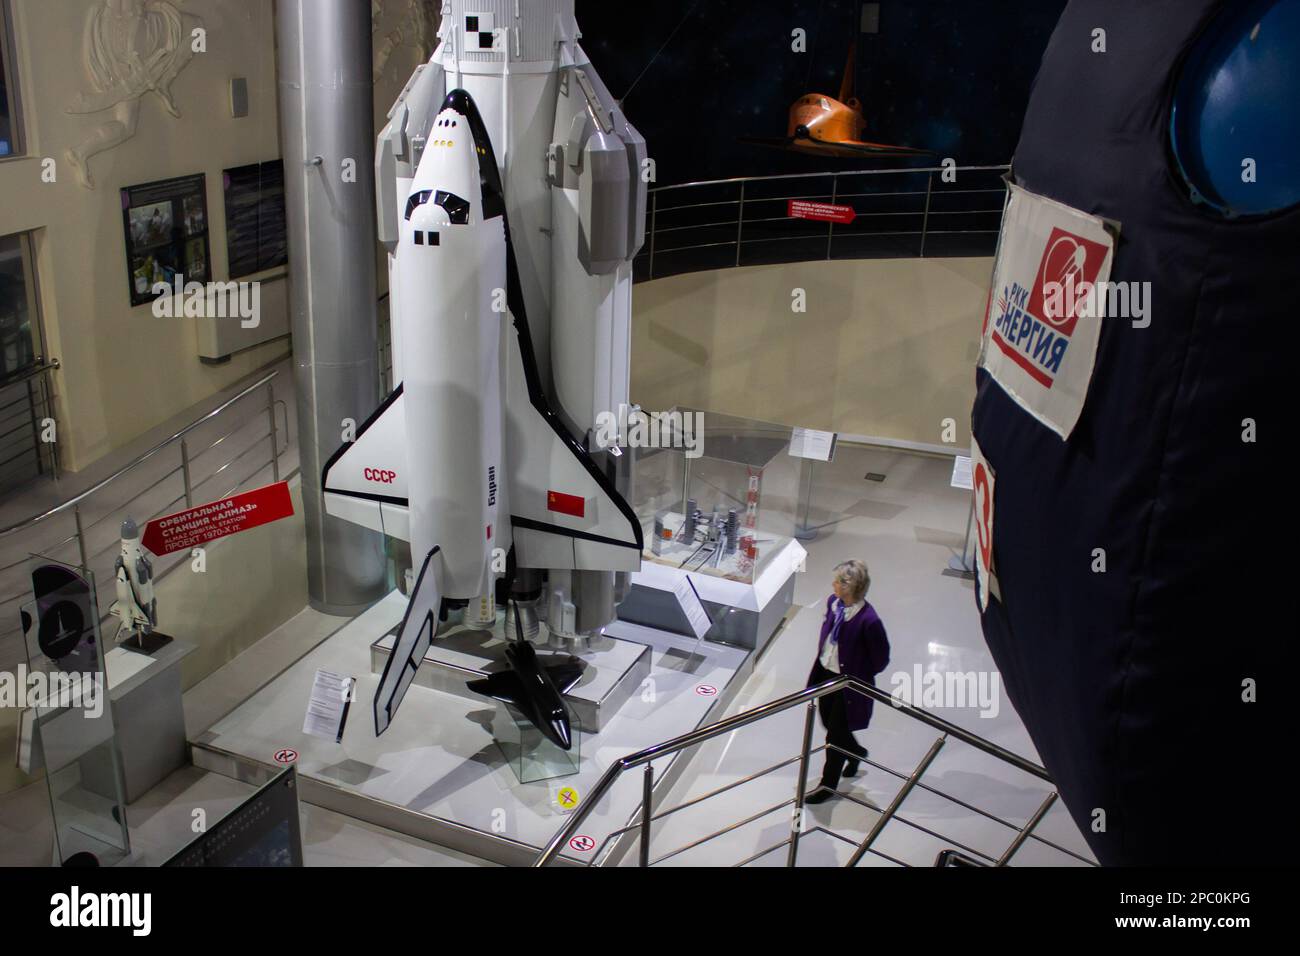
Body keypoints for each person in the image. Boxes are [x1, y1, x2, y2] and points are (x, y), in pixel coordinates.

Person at [805, 559, 890, 804]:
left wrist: (858, 671)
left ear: (850, 587)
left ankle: (827, 785)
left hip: (849, 684)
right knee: (826, 721)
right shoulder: (834, 604)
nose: (833, 584)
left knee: (834, 735)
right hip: (825, 673)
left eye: (838, 581)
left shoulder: (869, 621)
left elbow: (881, 659)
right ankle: (856, 752)